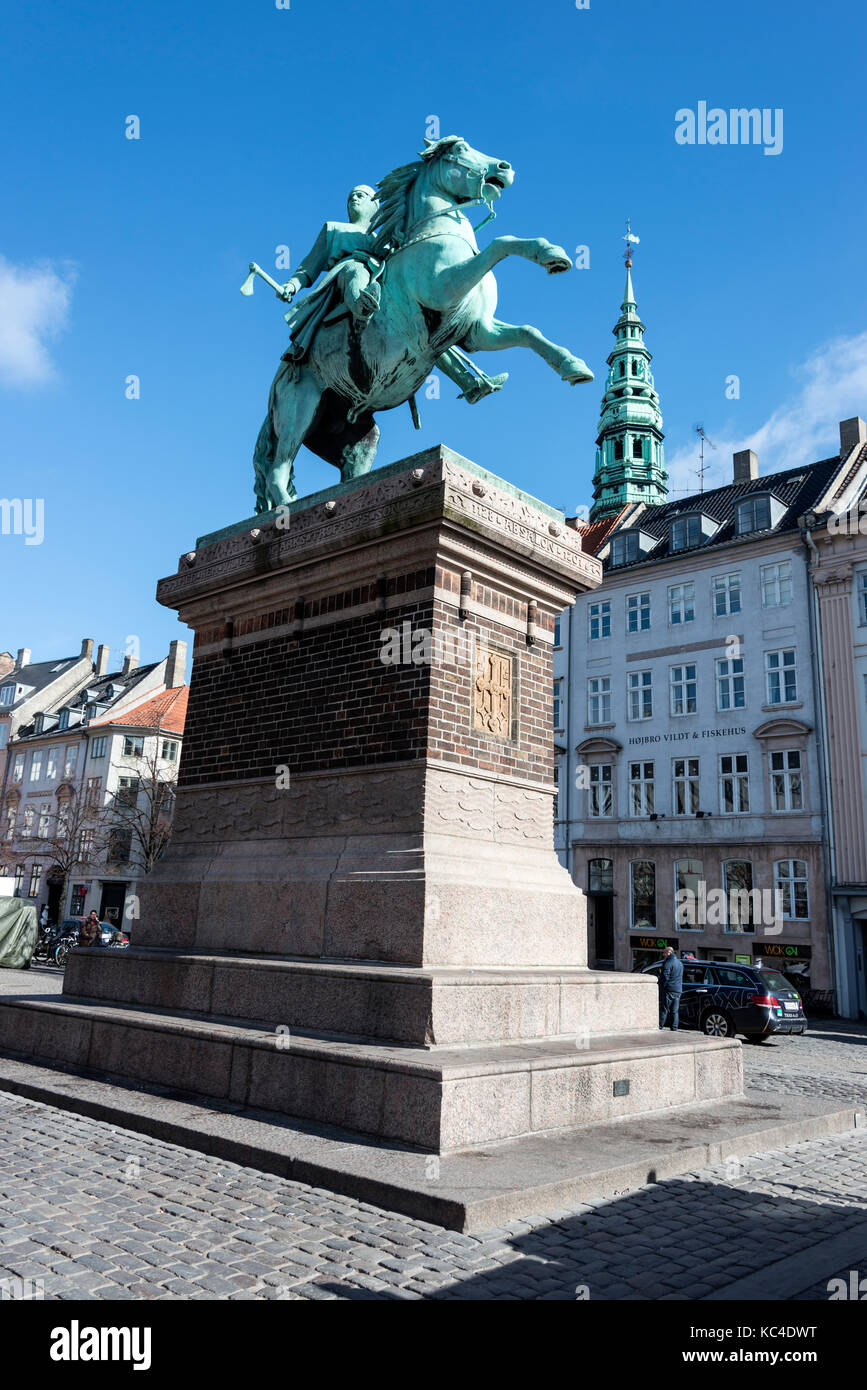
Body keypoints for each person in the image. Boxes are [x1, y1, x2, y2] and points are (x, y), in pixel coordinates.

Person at [283, 185, 507, 404]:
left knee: (427, 332)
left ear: (375, 205)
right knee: (356, 269)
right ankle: (362, 309)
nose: (354, 199)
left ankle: (469, 383)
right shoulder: (333, 229)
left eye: (361, 196)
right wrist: (292, 285)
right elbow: (309, 266)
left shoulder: (387, 237)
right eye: (351, 197)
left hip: (384, 284)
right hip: (349, 273)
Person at [658, 946, 684, 1031]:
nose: (663, 954)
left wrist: (663, 986)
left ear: (669, 953)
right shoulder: (680, 963)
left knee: (664, 1009)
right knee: (674, 1011)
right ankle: (674, 1028)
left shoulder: (668, 962)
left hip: (669, 990)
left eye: (664, 952)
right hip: (678, 990)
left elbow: (665, 976)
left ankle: (660, 1026)